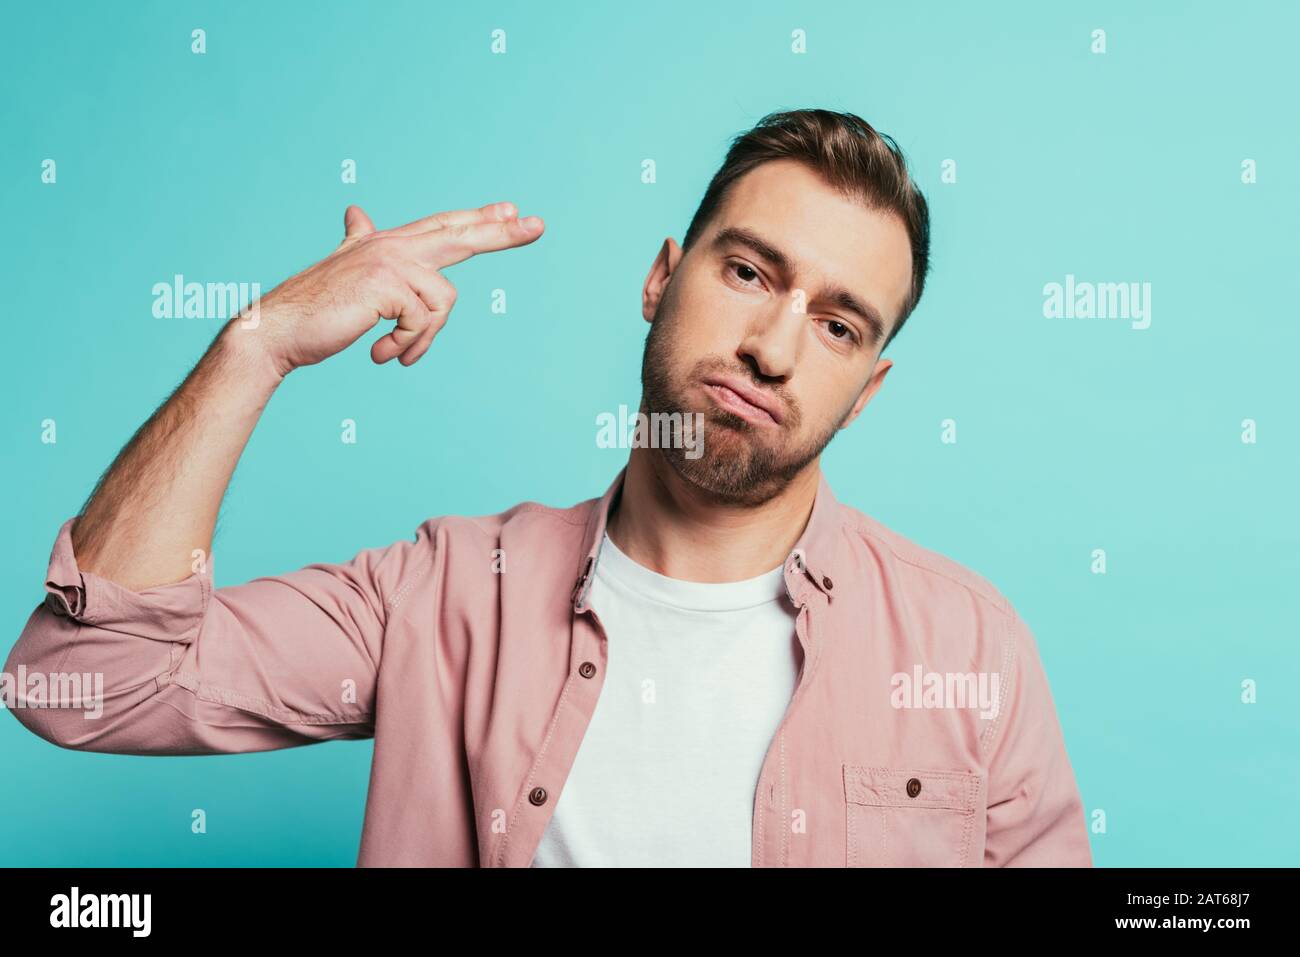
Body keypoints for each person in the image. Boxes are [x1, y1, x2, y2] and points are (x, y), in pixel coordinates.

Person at [4, 109, 1091, 867]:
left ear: (866, 390)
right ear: (662, 277)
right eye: (749, 272)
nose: (770, 348)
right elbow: (87, 682)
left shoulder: (969, 652)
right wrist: (259, 345)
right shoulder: (439, 597)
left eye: (837, 323)